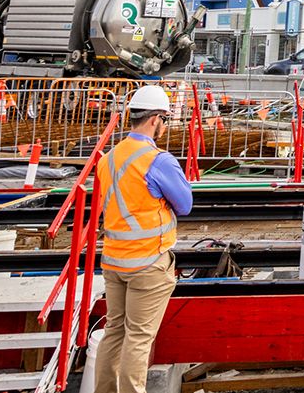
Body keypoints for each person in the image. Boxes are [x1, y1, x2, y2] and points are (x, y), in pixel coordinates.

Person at [91, 85, 193, 393]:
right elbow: (185, 204)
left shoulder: (107, 159)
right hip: (148, 262)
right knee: (138, 337)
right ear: (156, 119)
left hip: (113, 260)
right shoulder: (157, 160)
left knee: (114, 331)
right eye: (166, 120)